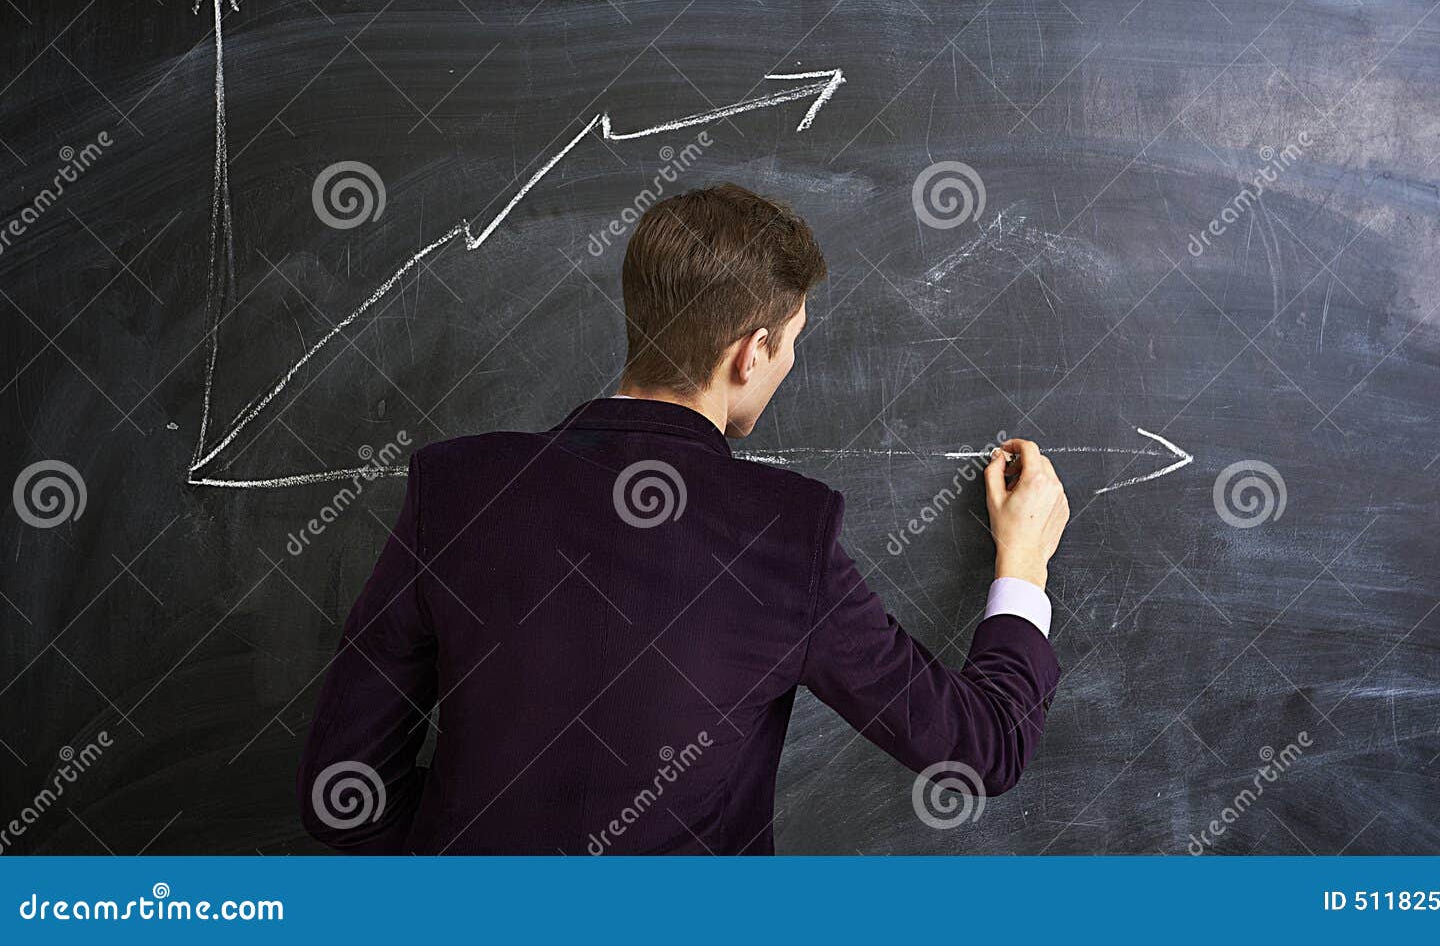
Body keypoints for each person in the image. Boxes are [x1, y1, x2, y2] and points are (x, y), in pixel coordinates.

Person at [298, 183, 1070, 853]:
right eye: (793, 342)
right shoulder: (784, 535)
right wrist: (1023, 565)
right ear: (751, 351)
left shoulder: (457, 487)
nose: (791, 364)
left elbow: (344, 789)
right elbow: (980, 747)